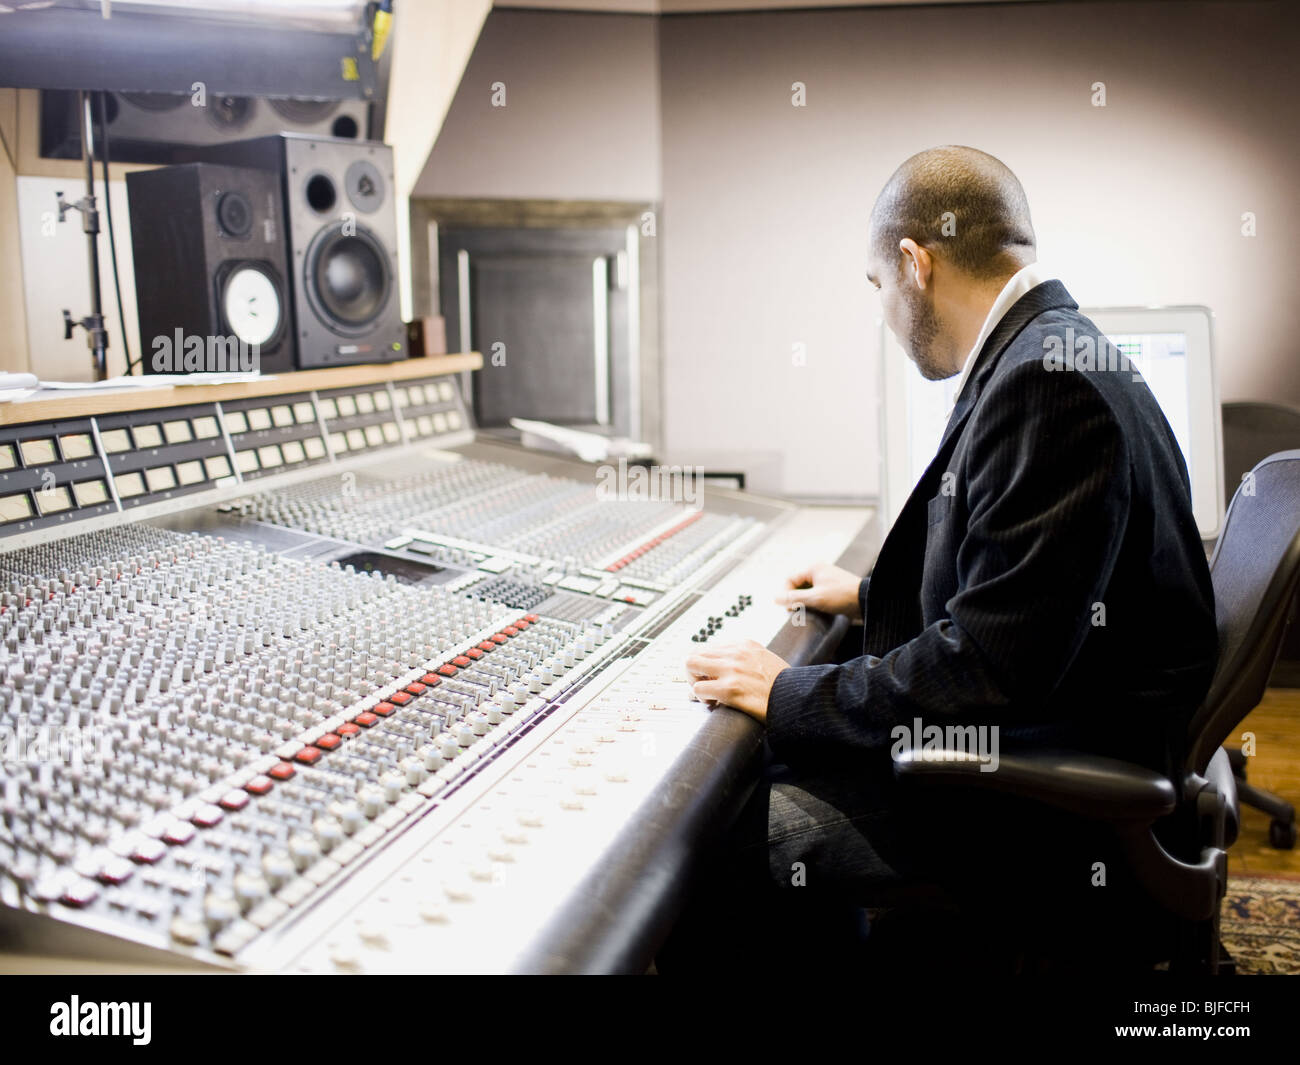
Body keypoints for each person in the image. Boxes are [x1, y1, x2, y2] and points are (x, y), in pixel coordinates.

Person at [664, 145, 1219, 972]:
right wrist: (869, 595)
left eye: (878, 288)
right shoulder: (1048, 352)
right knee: (774, 765)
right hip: (1060, 738)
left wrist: (786, 691)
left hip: (1045, 802)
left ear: (914, 264)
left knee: (721, 834)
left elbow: (988, 671)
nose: (884, 312)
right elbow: (1021, 585)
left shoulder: (1046, 384)